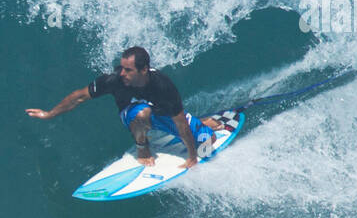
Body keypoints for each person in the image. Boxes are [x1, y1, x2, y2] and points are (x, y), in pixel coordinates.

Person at [25, 47, 224, 169]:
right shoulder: (114, 80)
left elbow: (180, 124)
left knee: (208, 142)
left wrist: (191, 157)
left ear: (144, 70)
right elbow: (78, 97)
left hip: (161, 114)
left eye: (128, 70)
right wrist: (49, 114)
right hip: (132, 113)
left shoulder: (164, 86)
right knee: (142, 112)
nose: (122, 73)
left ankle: (201, 123)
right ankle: (142, 147)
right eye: (122, 67)